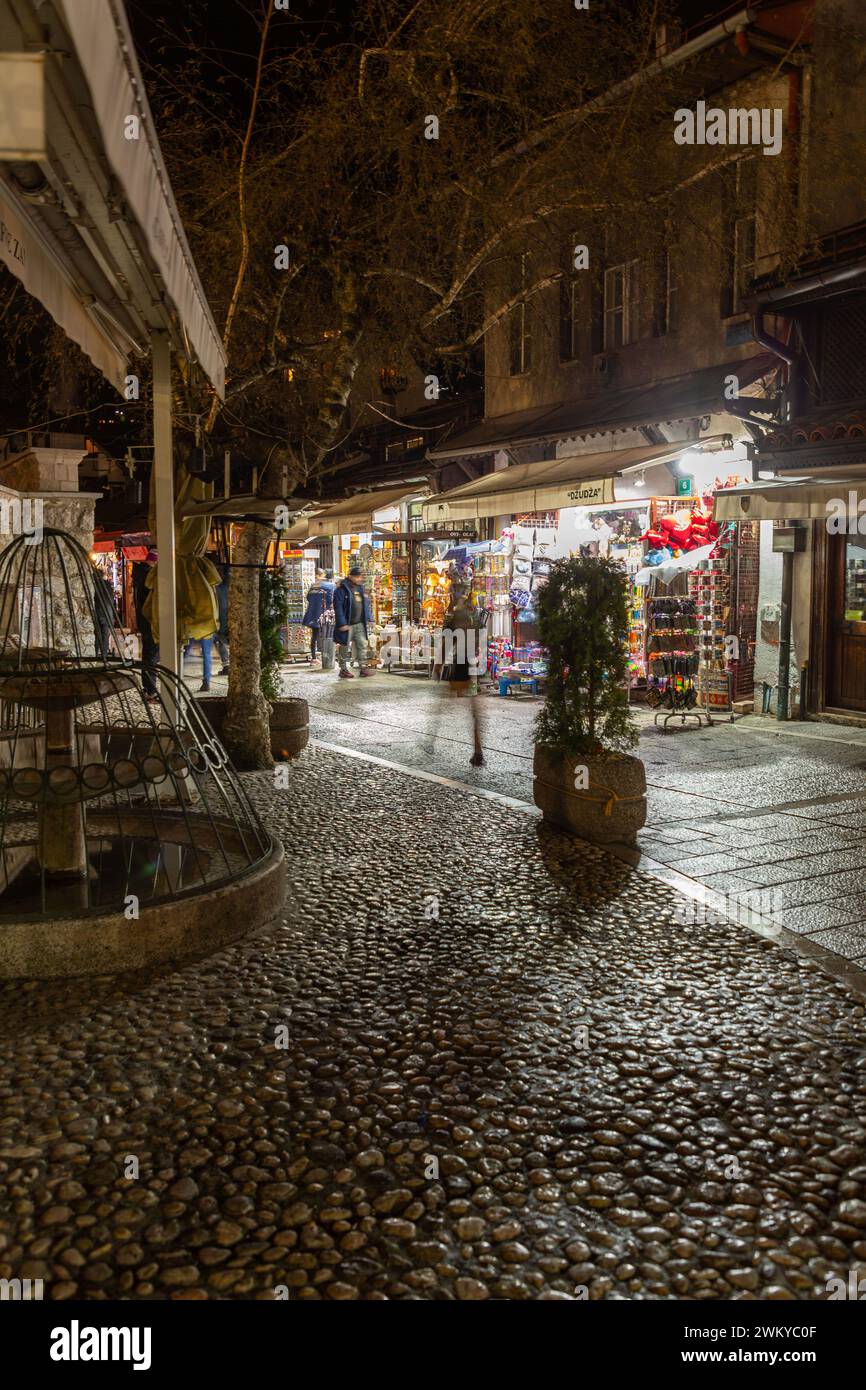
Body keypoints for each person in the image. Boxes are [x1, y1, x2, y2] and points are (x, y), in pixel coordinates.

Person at [442, 585, 484, 766]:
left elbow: (446, 643)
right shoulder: (473, 617)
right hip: (473, 664)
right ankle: (478, 749)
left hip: (460, 664)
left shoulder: (455, 617)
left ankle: (430, 740)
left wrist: (437, 666)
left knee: (442, 704)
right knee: (473, 709)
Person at [132, 548, 159, 703]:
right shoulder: (148, 577)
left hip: (144, 621)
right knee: (151, 656)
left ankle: (149, 689)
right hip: (150, 620)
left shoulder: (139, 574)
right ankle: (150, 691)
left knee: (150, 654)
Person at [333, 566, 371, 678]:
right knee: (344, 646)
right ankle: (343, 669)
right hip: (347, 624)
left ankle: (363, 668)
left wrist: (369, 618)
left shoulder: (360, 588)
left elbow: (365, 605)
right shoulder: (341, 589)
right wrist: (342, 623)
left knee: (362, 644)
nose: (360, 578)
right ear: (351, 576)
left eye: (360, 576)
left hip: (359, 623)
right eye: (357, 576)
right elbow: (338, 607)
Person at [302, 567, 336, 666]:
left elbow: (308, 598)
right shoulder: (331, 586)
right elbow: (332, 600)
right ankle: (329, 658)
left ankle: (313, 658)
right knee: (328, 635)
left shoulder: (313, 586)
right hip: (325, 615)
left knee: (314, 636)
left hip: (313, 614)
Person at [93, 568, 118, 660]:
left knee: (97, 634)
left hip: (97, 611)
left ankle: (95, 654)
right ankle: (104, 655)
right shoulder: (108, 585)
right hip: (107, 612)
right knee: (105, 634)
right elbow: (112, 600)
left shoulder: (93, 585)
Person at [214, 561, 230, 674]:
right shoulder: (235, 585)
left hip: (222, 617)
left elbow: (218, 605)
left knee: (221, 641)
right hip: (232, 617)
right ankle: (229, 664)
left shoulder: (218, 588)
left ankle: (226, 665)